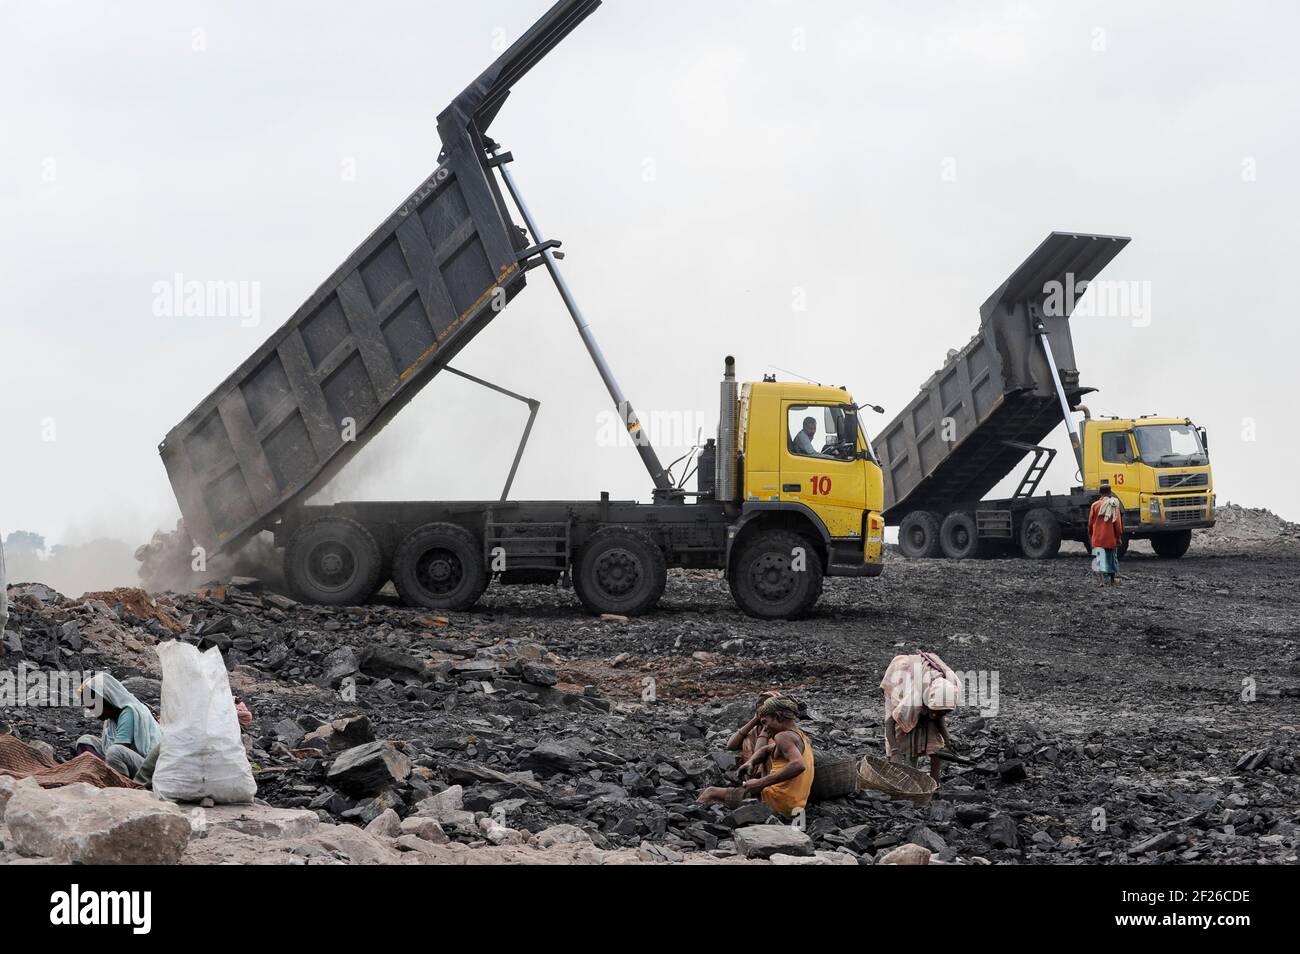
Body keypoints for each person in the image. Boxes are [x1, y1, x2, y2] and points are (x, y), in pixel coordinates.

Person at [697, 696, 815, 818]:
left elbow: (798, 765)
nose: (765, 728)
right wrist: (751, 762)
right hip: (793, 807)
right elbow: (766, 749)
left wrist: (760, 783)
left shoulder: (783, 737)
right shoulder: (800, 736)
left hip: (773, 802)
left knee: (710, 792)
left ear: (778, 716)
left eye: (765, 722)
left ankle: (691, 825)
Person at [881, 651, 960, 784]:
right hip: (901, 682)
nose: (937, 715)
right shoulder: (911, 701)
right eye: (935, 711)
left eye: (943, 713)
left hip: (929, 696)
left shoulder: (948, 692)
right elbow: (889, 723)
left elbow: (937, 715)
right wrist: (895, 751)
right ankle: (901, 779)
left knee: (935, 743)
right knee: (903, 736)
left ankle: (935, 784)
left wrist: (947, 739)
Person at [76, 672, 163, 781]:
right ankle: (102, 770)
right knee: (85, 741)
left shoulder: (129, 712)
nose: (93, 712)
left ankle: (118, 781)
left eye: (94, 707)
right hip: (127, 760)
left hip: (147, 769)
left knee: (114, 752)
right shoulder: (112, 717)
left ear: (106, 699)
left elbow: (119, 749)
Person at [726, 690, 782, 778]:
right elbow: (731, 745)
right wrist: (753, 721)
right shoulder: (755, 729)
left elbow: (759, 756)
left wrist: (765, 729)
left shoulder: (780, 732)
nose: (762, 712)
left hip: (769, 780)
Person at [1088, 480, 1124, 585]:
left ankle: (1101, 581)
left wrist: (1092, 535)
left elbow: (1090, 523)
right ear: (1110, 493)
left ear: (1100, 493)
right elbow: (1117, 523)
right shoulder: (1113, 504)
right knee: (1112, 558)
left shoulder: (1094, 505)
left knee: (1099, 559)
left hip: (1098, 538)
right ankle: (1112, 581)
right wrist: (1118, 537)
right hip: (1110, 538)